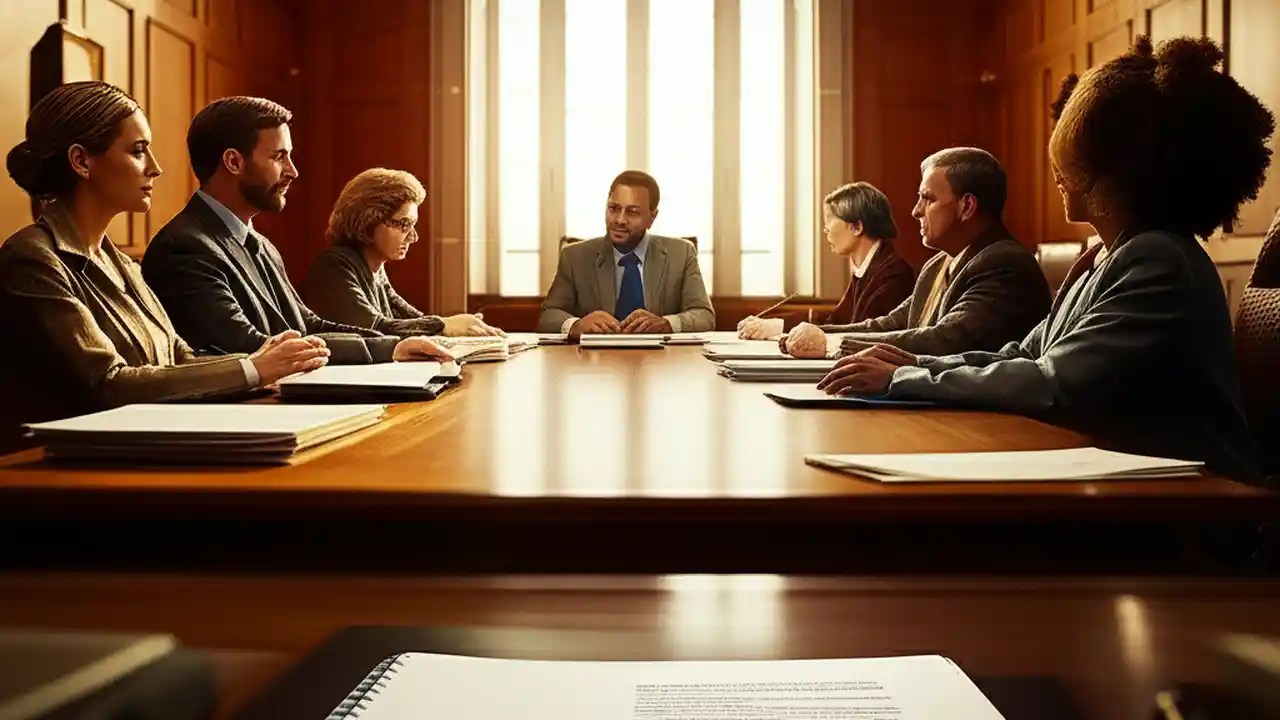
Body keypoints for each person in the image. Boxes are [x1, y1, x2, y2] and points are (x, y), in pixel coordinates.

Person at [820, 36, 1270, 483]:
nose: (1058, 168)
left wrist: (902, 379)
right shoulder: (1107, 256)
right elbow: (1025, 352)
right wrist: (915, 365)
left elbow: (1051, 382)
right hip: (1131, 484)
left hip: (1195, 508)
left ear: (1117, 170)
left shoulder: (1158, 259)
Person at [0, 82, 327, 449]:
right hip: (53, 478)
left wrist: (262, 362)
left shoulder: (122, 263)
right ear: (81, 161)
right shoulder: (32, 259)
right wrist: (252, 369)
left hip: (133, 454)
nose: (155, 168)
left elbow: (178, 357)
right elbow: (108, 384)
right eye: (138, 151)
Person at [141, 97, 450, 365]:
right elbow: (252, 349)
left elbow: (307, 324)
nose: (293, 170)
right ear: (234, 161)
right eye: (279, 157)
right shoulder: (183, 247)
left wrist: (394, 347)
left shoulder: (261, 245)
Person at [779, 148, 1050, 358]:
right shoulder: (937, 265)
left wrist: (829, 343)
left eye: (928, 198)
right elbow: (888, 325)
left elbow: (944, 340)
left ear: (966, 206)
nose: (915, 210)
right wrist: (814, 334)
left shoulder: (1004, 264)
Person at [305, 168, 502, 338]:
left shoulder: (374, 267)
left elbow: (414, 320)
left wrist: (460, 326)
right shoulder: (333, 267)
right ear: (368, 220)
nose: (413, 237)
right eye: (404, 224)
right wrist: (444, 325)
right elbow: (374, 329)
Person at [537, 170, 715, 336]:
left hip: (662, 362)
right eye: (613, 209)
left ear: (652, 217)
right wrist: (576, 325)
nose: (620, 220)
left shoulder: (681, 253)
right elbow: (548, 316)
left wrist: (667, 323)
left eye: (632, 212)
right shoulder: (574, 256)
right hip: (593, 362)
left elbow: (704, 316)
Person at [738, 182, 913, 340]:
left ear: (857, 227)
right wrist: (774, 324)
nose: (826, 229)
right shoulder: (870, 268)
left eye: (830, 221)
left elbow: (862, 334)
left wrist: (778, 327)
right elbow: (835, 320)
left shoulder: (893, 274)